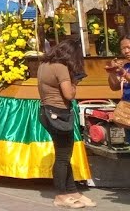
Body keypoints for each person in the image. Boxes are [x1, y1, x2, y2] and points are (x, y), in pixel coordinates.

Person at [37, 38, 95, 208]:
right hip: (59, 113)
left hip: (46, 111)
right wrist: (75, 81)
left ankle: (72, 191)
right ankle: (61, 194)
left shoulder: (44, 65)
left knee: (64, 155)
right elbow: (69, 95)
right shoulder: (61, 68)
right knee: (63, 157)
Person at [103, 37, 130, 103]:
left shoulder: (124, 70)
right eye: (123, 48)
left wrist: (123, 72)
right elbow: (114, 87)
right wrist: (113, 71)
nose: (126, 51)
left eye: (129, 47)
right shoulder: (126, 67)